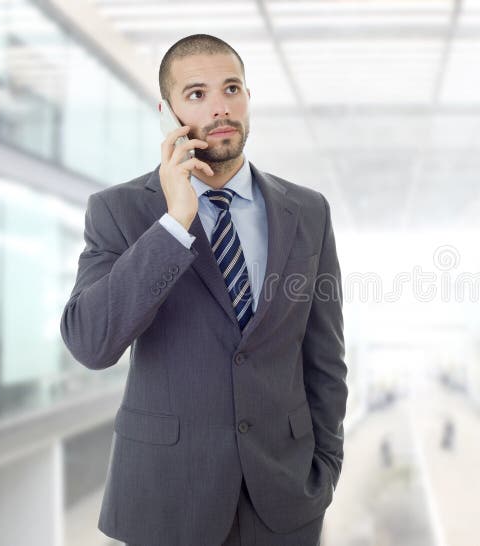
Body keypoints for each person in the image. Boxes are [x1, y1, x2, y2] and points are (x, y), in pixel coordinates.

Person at [59, 34, 348, 546]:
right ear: (167, 113)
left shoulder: (307, 211)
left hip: (286, 501)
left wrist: (325, 469)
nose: (220, 107)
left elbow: (324, 356)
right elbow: (91, 343)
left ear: (248, 98)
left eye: (232, 88)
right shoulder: (118, 211)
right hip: (168, 500)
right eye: (196, 94)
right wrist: (174, 224)